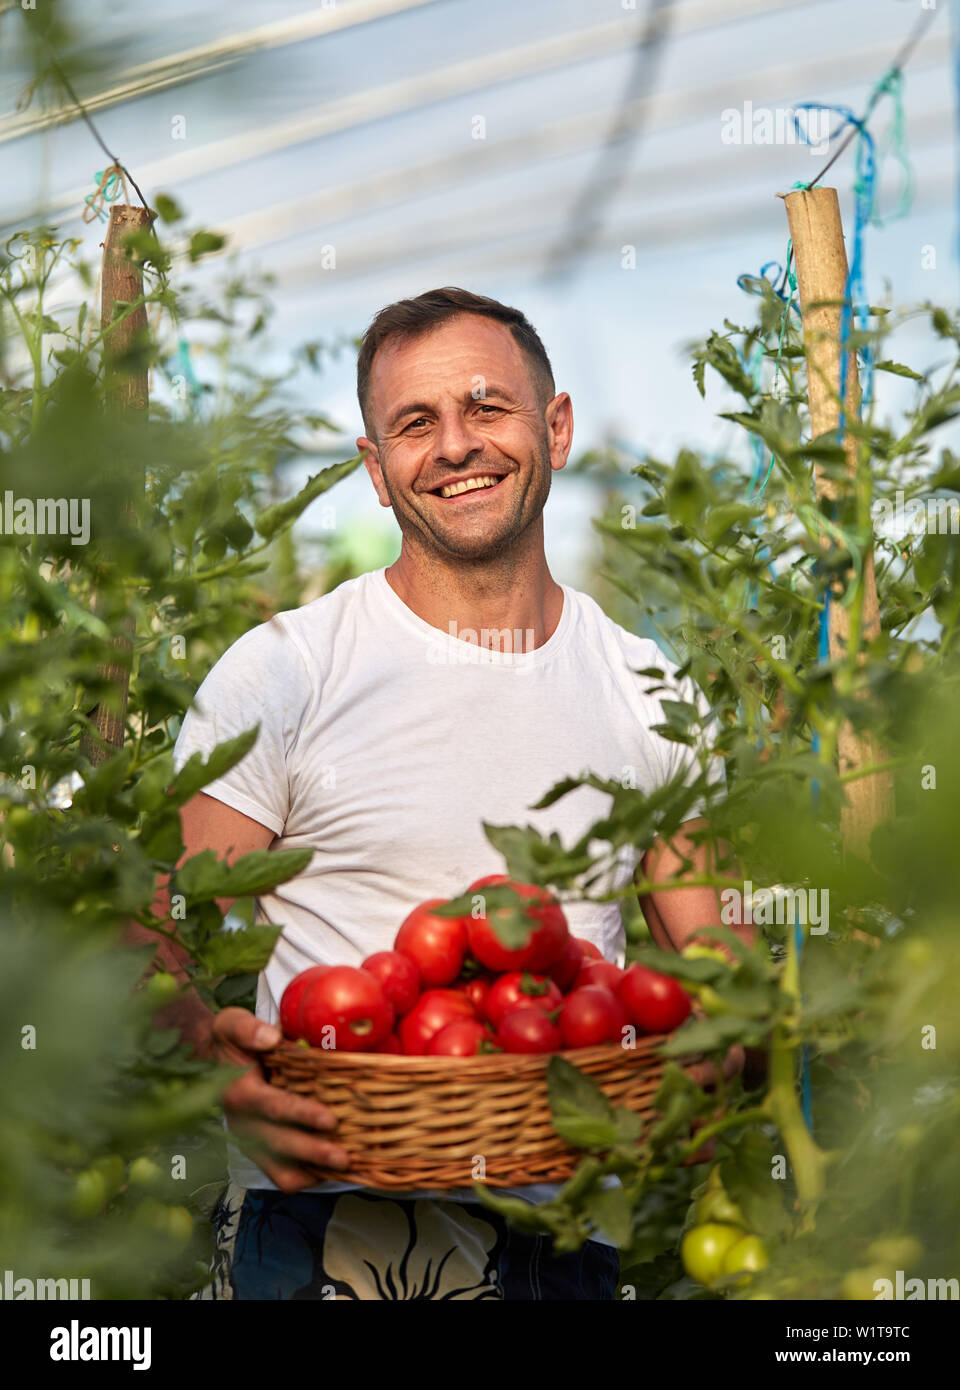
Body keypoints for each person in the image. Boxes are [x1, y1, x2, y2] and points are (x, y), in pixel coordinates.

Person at [131, 287, 747, 1301]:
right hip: (332, 1227)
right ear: (378, 473)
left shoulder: (651, 689)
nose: (456, 446)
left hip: (575, 1231)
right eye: (416, 424)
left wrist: (718, 1053)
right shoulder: (287, 669)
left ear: (556, 426)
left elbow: (709, 959)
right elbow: (153, 915)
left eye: (487, 408)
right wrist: (209, 1051)